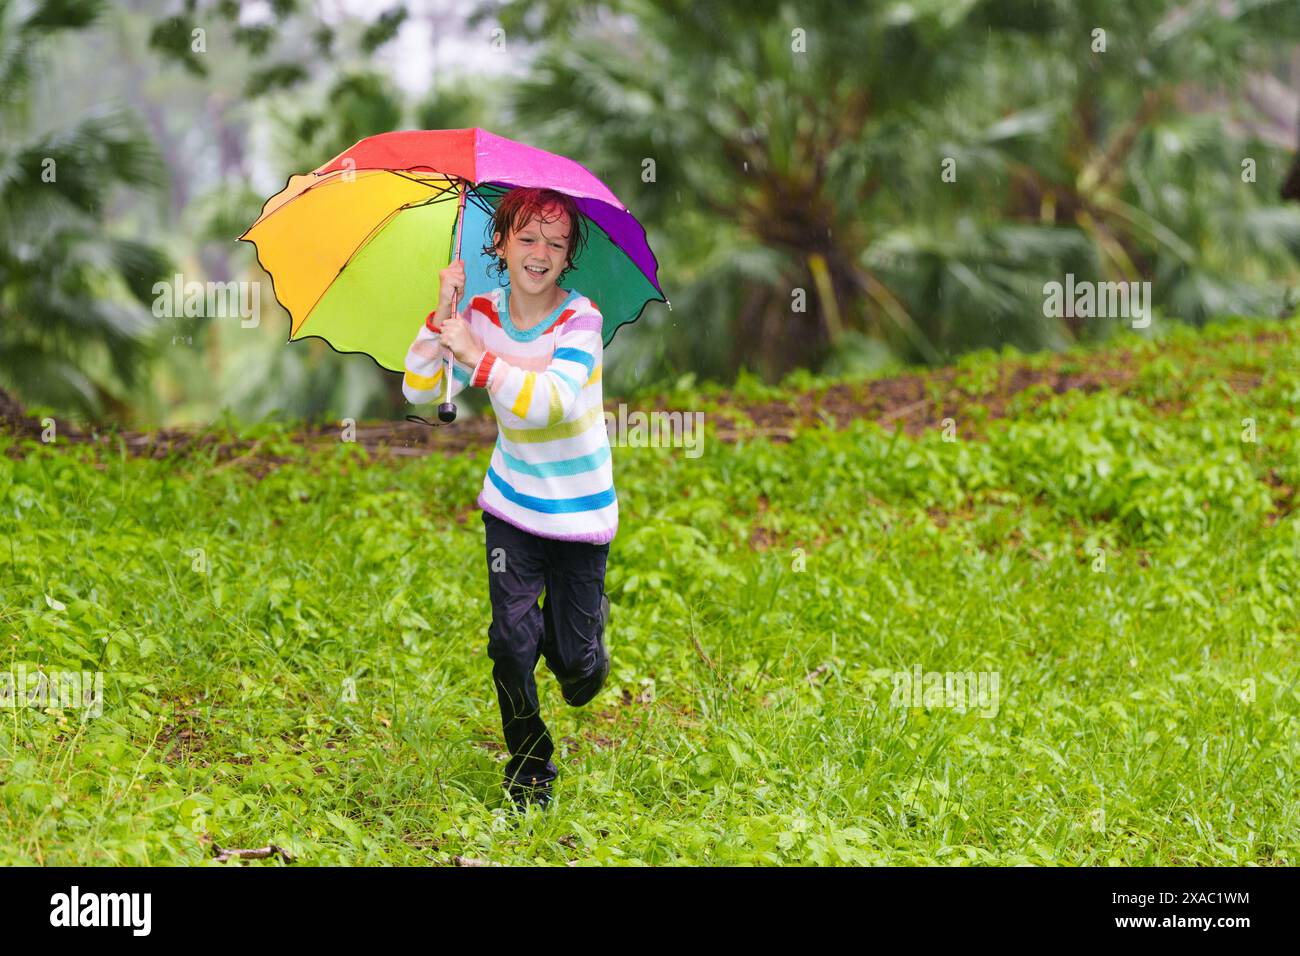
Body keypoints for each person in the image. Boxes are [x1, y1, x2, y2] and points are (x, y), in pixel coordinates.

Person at [402, 187, 615, 813]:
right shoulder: (479, 313)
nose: (540, 252)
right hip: (513, 506)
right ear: (498, 243)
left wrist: (479, 357)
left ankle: (588, 643)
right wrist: (440, 314)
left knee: (574, 671)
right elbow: (418, 387)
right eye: (526, 237)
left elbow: (553, 401)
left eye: (555, 241)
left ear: (569, 253)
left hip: (579, 515)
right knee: (511, 643)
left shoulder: (582, 321)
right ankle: (529, 770)